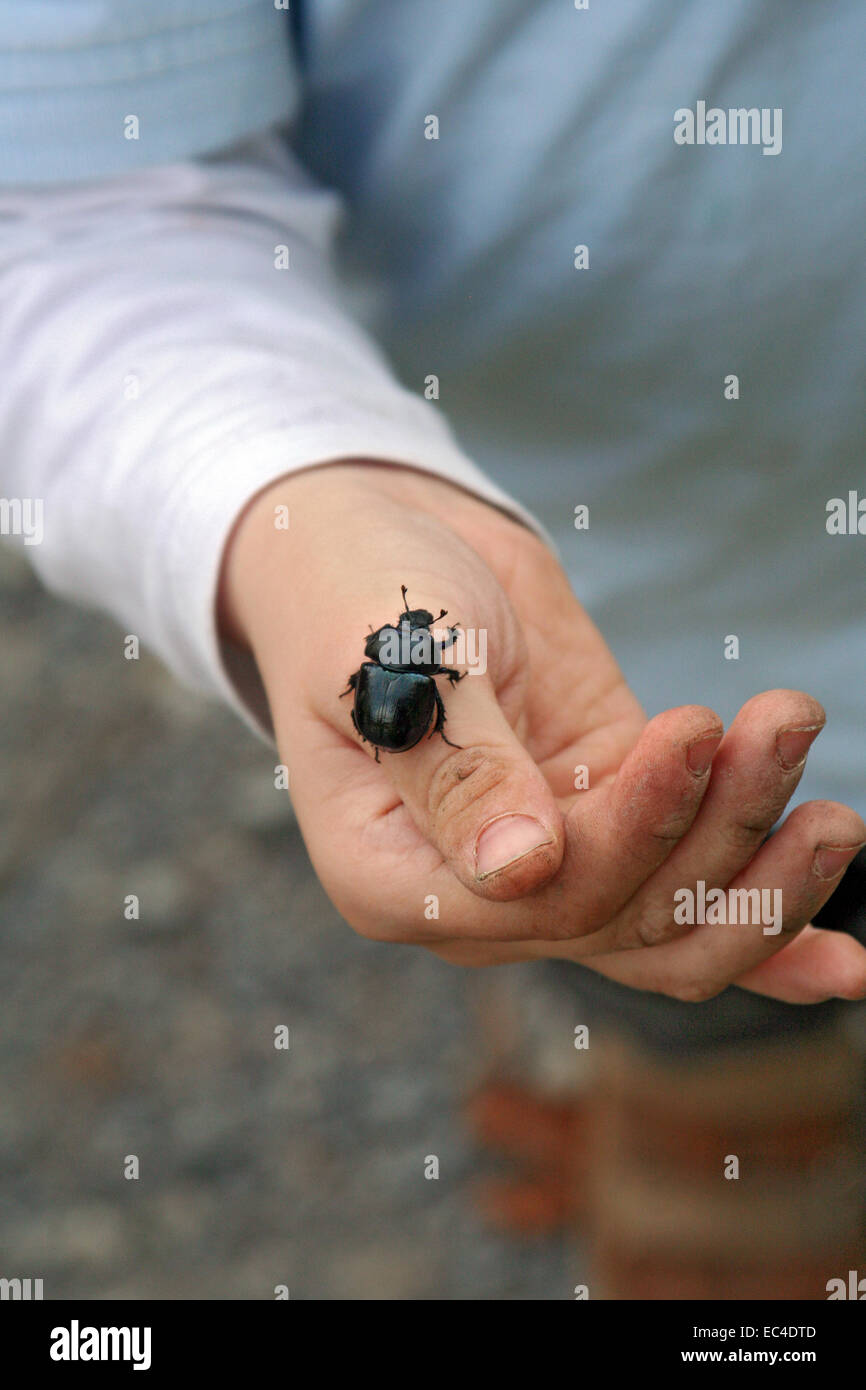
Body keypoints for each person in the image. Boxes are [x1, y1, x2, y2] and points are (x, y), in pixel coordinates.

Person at [2, 1, 865, 1296]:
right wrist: (310, 504)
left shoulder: (406, 662)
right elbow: (81, 212)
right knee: (688, 954)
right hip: (635, 679)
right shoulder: (429, 663)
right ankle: (717, 1103)